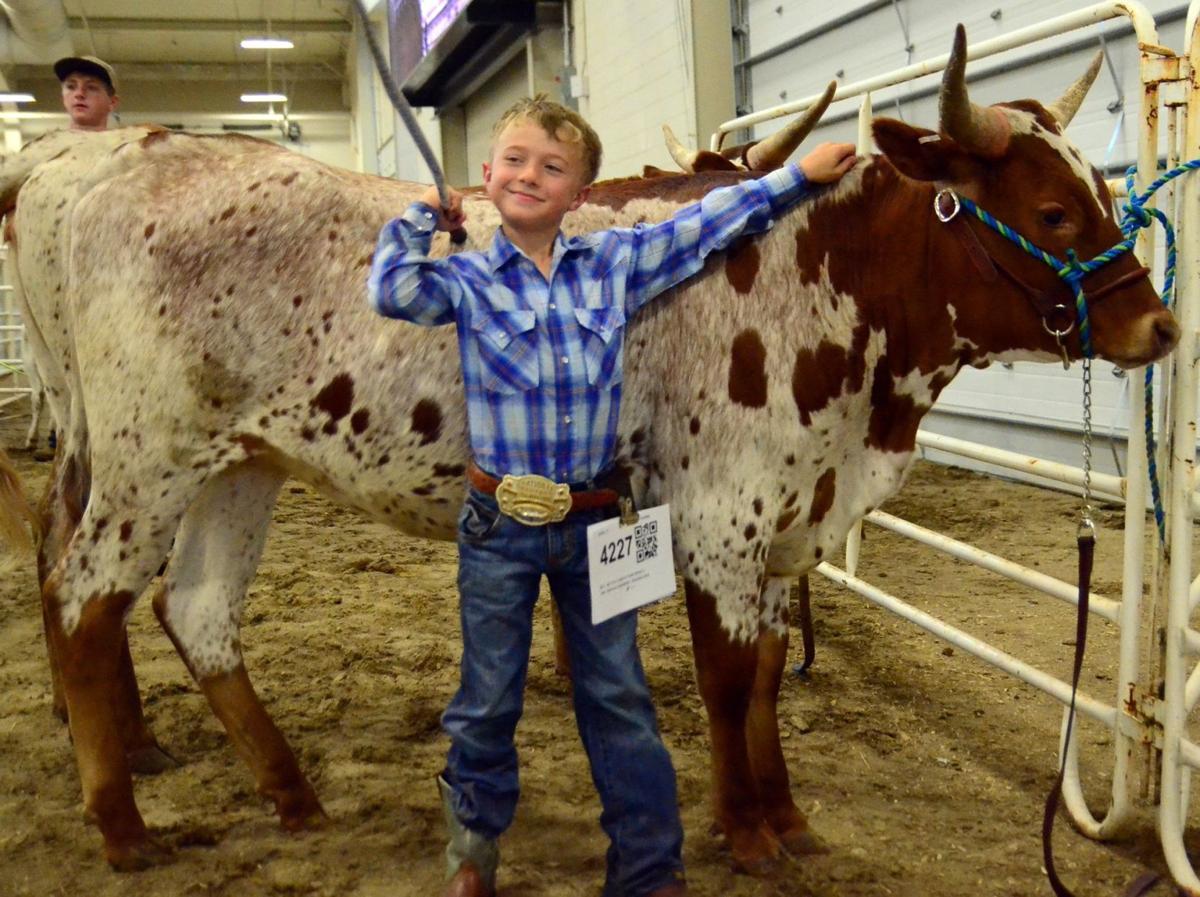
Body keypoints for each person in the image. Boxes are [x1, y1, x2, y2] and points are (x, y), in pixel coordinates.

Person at [368, 95, 856, 897]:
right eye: (515, 160)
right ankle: (471, 853)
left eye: (553, 167)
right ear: (486, 178)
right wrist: (422, 218)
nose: (530, 175)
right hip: (498, 523)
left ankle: (647, 866)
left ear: (578, 192)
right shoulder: (460, 280)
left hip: (593, 517)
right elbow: (389, 289)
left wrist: (796, 178)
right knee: (487, 698)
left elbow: (705, 225)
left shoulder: (616, 264)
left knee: (620, 700)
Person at [54, 55, 119, 131]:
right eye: (71, 87)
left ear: (112, 102)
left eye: (91, 87)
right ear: (62, 97)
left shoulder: (127, 142)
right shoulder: (46, 142)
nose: (79, 94)